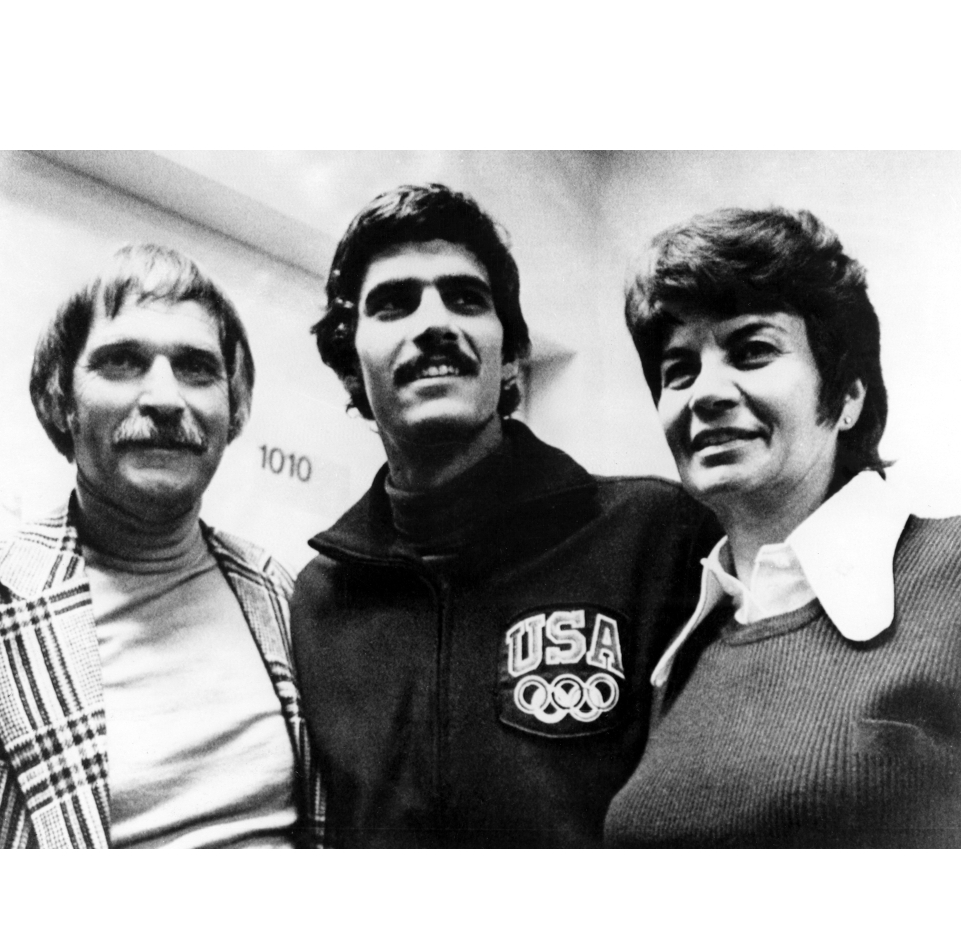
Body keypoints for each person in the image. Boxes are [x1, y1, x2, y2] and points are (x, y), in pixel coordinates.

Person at [292, 182, 715, 847]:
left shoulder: (656, 534)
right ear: (351, 364)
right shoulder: (321, 599)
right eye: (394, 303)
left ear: (510, 353)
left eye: (466, 298)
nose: (434, 322)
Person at [605, 206, 961, 848]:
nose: (704, 394)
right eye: (678, 370)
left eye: (753, 350)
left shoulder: (952, 573)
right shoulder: (680, 653)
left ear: (848, 395)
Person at [0, 244, 323, 848]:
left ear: (234, 409)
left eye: (196, 368)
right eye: (122, 362)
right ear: (60, 400)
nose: (163, 398)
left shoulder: (280, 591)